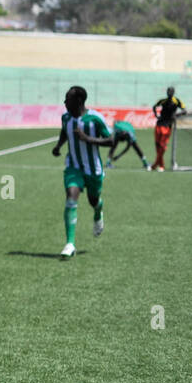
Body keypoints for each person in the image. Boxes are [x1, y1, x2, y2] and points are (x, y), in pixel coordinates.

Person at [52, 86, 112, 258]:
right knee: (71, 197)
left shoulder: (95, 119)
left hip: (93, 169)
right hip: (73, 166)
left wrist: (87, 139)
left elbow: (111, 140)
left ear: (78, 101)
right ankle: (70, 244)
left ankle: (98, 211)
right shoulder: (66, 117)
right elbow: (64, 131)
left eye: (67, 99)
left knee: (93, 200)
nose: (64, 102)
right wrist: (58, 146)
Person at [150, 87, 186, 171]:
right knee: (157, 146)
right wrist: (156, 115)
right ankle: (160, 165)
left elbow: (184, 111)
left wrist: (176, 115)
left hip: (168, 126)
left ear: (173, 92)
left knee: (162, 146)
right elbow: (154, 106)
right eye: (168, 91)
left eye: (171, 91)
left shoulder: (177, 101)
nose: (169, 92)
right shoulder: (163, 101)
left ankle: (156, 165)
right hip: (159, 124)